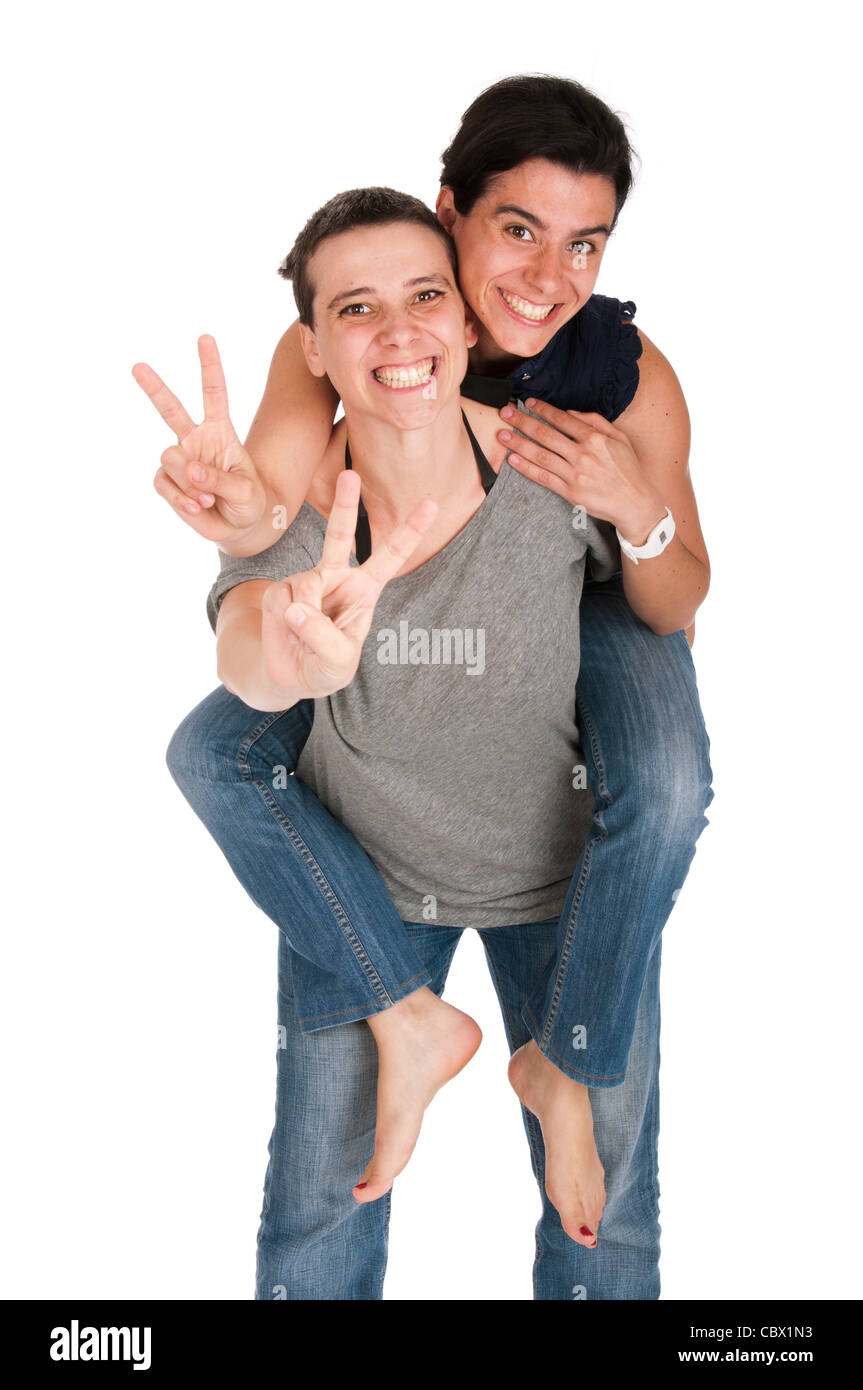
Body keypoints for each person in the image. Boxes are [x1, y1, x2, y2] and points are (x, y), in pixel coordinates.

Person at [134, 76, 713, 1296]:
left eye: (582, 244)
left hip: (601, 603)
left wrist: (630, 508)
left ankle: (571, 1059)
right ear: (451, 213)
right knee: (212, 743)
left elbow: (675, 591)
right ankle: (410, 1010)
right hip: (379, 714)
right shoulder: (350, 347)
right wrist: (253, 533)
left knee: (661, 776)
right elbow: (278, 520)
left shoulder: (612, 370)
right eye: (515, 230)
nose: (545, 277)